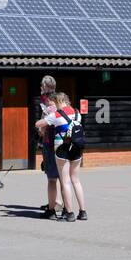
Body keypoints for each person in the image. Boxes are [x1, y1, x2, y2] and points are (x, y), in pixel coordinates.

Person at [49, 92, 87, 222]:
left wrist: (48, 114)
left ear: (58, 101)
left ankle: (69, 213)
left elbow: (39, 124)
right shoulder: (77, 113)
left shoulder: (56, 115)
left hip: (62, 148)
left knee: (65, 181)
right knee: (76, 180)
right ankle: (83, 212)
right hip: (77, 148)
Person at [34, 76, 62, 218]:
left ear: (46, 86)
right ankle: (55, 201)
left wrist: (41, 130)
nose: (40, 87)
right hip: (57, 141)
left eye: (41, 85)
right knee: (57, 175)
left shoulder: (49, 101)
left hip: (50, 141)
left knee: (52, 176)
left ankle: (54, 204)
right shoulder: (59, 99)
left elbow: (47, 122)